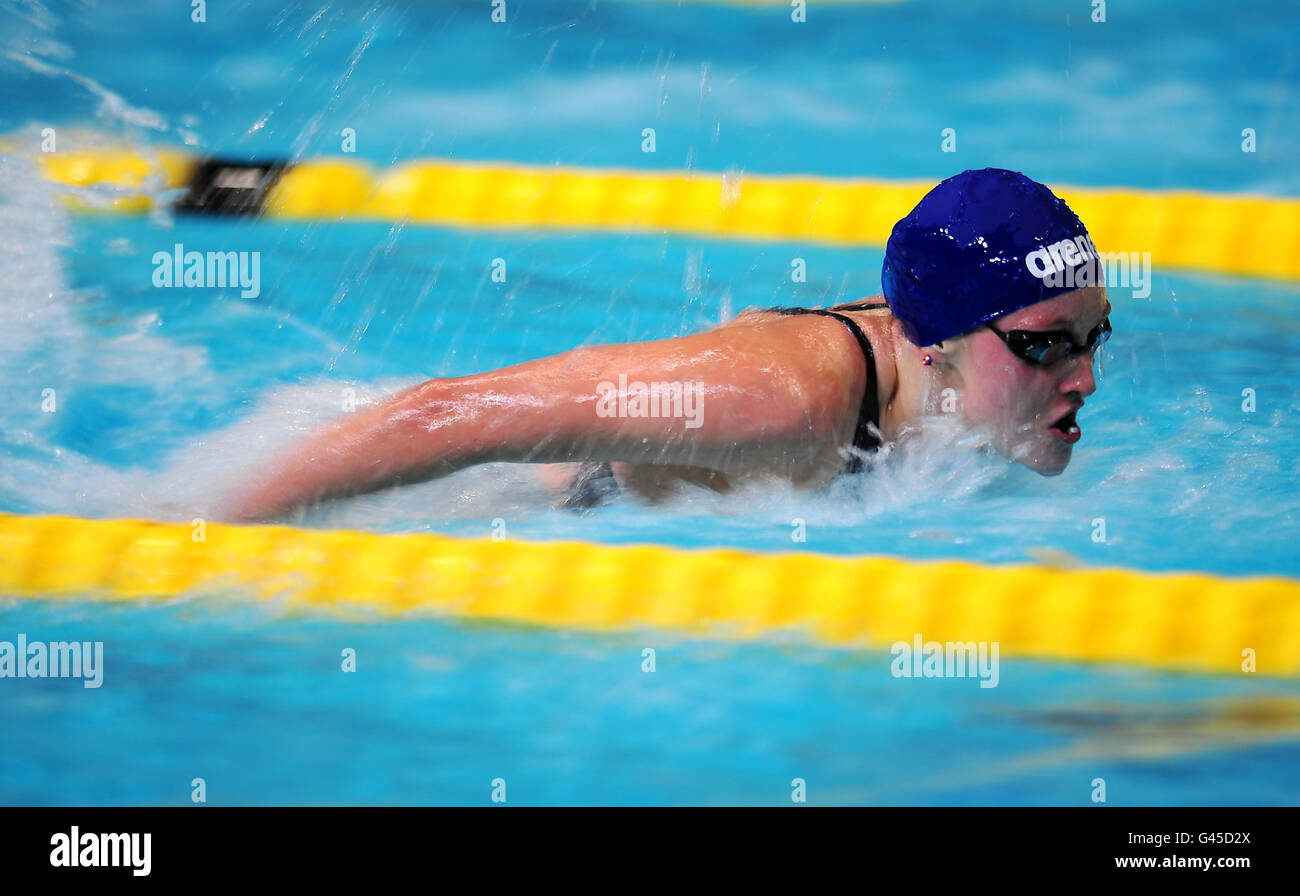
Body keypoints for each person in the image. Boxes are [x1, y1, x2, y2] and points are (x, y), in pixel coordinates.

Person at [222, 168, 1111, 522]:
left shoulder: (953, 378)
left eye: (1093, 337)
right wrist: (208, 536)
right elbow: (451, 415)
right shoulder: (788, 400)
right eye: (1046, 347)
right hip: (469, 494)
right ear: (931, 346)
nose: (1088, 377)